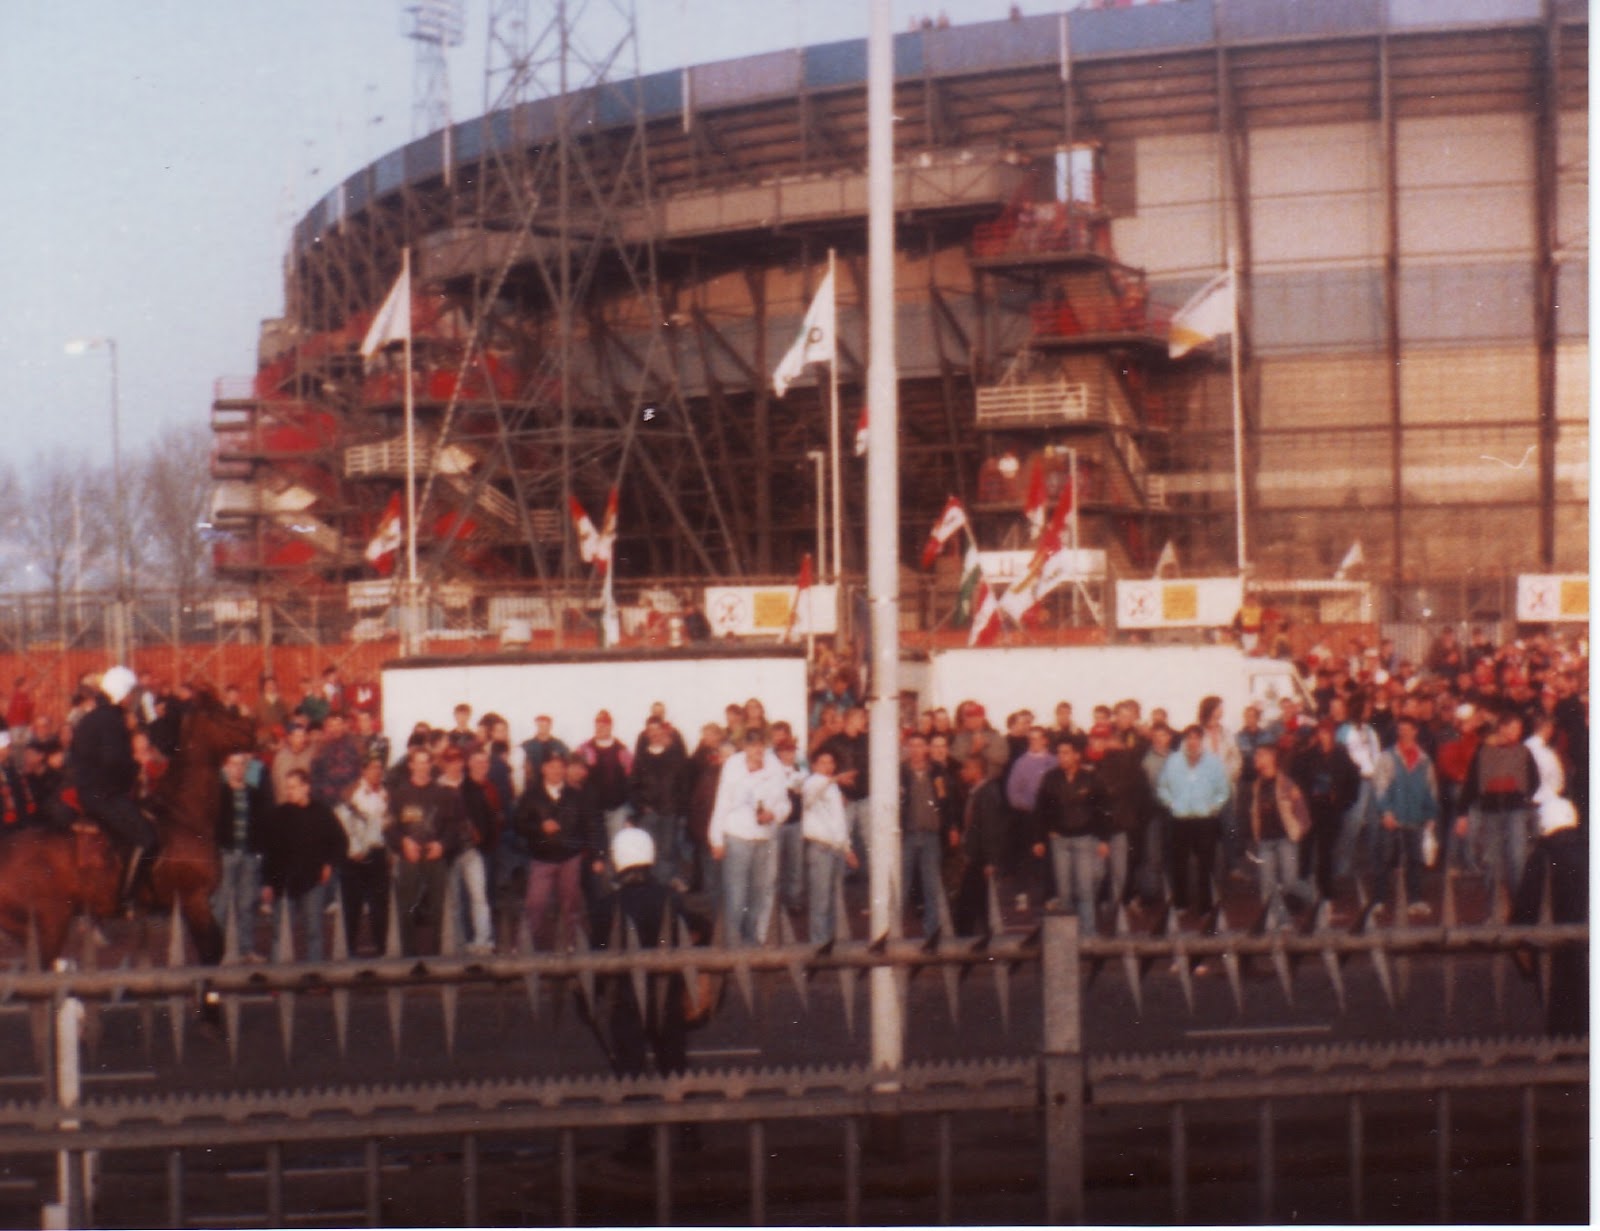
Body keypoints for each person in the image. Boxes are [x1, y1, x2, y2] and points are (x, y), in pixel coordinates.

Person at [590, 827, 708, 1163]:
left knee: (631, 1067)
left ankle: (638, 1141)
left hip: (625, 998)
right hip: (666, 992)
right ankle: (688, 1134)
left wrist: (599, 993)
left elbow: (596, 958)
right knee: (673, 1063)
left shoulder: (605, 905)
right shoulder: (669, 898)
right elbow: (699, 929)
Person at [68, 665, 156, 909]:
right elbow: (114, 761)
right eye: (130, 693)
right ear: (121, 694)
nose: (132, 699)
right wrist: (134, 767)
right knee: (147, 838)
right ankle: (125, 897)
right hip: (103, 795)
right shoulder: (111, 721)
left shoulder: (96, 717)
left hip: (94, 790)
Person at [1511, 792, 1586, 1036]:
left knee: (1561, 1016)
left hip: (1554, 951)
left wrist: (1524, 963)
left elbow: (1523, 912)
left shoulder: (1542, 857)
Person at [708, 729, 790, 946]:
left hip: (764, 837)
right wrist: (716, 839)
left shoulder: (775, 767)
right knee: (736, 893)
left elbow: (785, 803)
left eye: (760, 745)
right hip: (737, 835)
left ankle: (753, 941)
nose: (757, 750)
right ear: (744, 747)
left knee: (760, 892)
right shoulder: (732, 766)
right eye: (752, 745)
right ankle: (733, 944)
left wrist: (774, 814)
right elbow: (722, 802)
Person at [386, 746, 469, 957]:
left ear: (431, 765)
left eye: (426, 762)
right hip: (410, 857)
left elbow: (454, 827)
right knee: (407, 908)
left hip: (435, 856)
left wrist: (442, 845)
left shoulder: (443, 794)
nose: (423, 767)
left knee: (437, 908)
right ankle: (408, 956)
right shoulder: (398, 794)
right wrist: (403, 842)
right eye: (418, 762)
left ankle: (436, 957)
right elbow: (389, 827)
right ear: (411, 765)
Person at [259, 768, 346, 963]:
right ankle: (278, 979)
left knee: (314, 931)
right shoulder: (278, 815)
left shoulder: (322, 812)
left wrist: (329, 864)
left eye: (294, 787)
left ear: (306, 787)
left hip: (312, 881)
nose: (290, 792)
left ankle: (314, 976)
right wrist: (267, 883)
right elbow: (269, 852)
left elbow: (340, 842)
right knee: (279, 934)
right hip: (283, 884)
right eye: (288, 787)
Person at [514, 752, 595, 952]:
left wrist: (593, 854)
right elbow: (518, 825)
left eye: (560, 766)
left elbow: (590, 825)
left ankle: (572, 946)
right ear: (544, 769)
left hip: (570, 859)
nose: (556, 771)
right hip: (542, 860)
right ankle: (530, 947)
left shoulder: (576, 795)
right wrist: (540, 827)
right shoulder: (531, 795)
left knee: (571, 906)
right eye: (552, 766)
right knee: (536, 905)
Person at [1458, 711, 1540, 904]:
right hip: (1491, 811)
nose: (1516, 733)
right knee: (1491, 860)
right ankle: (1493, 908)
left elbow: (1534, 779)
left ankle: (1519, 906)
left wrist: (1521, 793)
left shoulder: (1523, 751)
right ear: (1502, 728)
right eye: (1512, 728)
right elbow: (1471, 782)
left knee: (1517, 858)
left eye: (1518, 729)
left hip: (1516, 810)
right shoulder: (1484, 751)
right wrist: (1463, 813)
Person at [1032, 739, 1109, 934]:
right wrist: (1039, 839)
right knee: (1064, 891)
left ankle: (1089, 933)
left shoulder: (1090, 778)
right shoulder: (1051, 778)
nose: (1061, 757)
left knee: (1084, 889)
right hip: (1060, 841)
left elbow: (1102, 810)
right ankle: (1067, 936)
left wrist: (1103, 839)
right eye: (1059, 753)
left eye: (1066, 753)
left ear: (1077, 755)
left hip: (1085, 840)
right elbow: (1041, 810)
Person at [1156, 726, 1230, 916]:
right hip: (1180, 820)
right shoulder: (1173, 762)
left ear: (1201, 740)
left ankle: (1205, 907)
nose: (1193, 742)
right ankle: (1181, 904)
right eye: (1189, 738)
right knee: (1179, 864)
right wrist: (1171, 803)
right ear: (1184, 741)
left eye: (1197, 738)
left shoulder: (1213, 763)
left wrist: (1215, 806)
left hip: (1205, 820)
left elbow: (1224, 790)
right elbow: (1162, 787)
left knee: (1205, 865)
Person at [1373, 717, 1440, 918]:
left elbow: (1431, 789)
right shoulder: (1387, 757)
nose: (1403, 733)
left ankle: (1415, 900)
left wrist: (1431, 815)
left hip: (1416, 818)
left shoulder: (1424, 760)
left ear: (1415, 731)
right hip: (1393, 818)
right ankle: (1379, 900)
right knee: (1385, 858)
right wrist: (1386, 811)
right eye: (1400, 729)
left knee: (1415, 859)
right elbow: (1380, 786)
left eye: (1407, 729)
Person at [1291, 720, 1360, 904]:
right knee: (1305, 849)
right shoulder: (1306, 756)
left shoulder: (1342, 755)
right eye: (1321, 733)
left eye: (1327, 732)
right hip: (1310, 809)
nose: (1324, 737)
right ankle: (1302, 888)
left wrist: (1343, 801)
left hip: (1330, 810)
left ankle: (1325, 888)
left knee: (1326, 850)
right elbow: (1293, 776)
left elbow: (1354, 780)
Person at [212, 751, 269, 959]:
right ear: (226, 769)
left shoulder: (254, 794)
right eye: (233, 765)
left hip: (248, 854)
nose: (238, 769)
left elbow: (261, 826)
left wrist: (258, 851)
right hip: (226, 854)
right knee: (222, 903)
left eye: (241, 765)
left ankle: (246, 948)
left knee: (246, 904)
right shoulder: (219, 794)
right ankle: (218, 949)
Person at [1246, 745, 1310, 930]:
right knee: (1267, 884)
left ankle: (1314, 897)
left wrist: (1298, 831)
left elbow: (1301, 810)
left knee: (1290, 882)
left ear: (1272, 758)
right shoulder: (1257, 786)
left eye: (1261, 755)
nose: (1257, 759)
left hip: (1285, 840)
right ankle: (1282, 920)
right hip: (1266, 841)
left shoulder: (1286, 783)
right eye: (1256, 755)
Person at [336, 754, 393, 955]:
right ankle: (349, 948)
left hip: (377, 854)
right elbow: (343, 821)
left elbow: (390, 824)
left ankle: (381, 948)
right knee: (352, 904)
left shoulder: (387, 793)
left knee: (380, 905)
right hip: (355, 856)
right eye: (372, 768)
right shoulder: (350, 792)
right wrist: (353, 848)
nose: (376, 772)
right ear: (363, 770)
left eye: (379, 768)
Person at [628, 716, 688, 888]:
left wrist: (678, 808)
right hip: (649, 814)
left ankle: (664, 889)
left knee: (667, 852)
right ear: (646, 734)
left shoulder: (675, 755)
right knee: (649, 851)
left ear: (663, 731)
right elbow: (632, 786)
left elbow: (684, 785)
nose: (655, 734)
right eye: (651, 731)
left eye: (657, 730)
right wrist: (641, 807)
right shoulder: (641, 757)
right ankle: (651, 889)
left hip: (670, 813)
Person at [952, 755, 1008, 938]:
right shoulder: (976, 792)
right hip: (975, 855)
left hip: (980, 858)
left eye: (967, 768)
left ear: (977, 771)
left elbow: (991, 828)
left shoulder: (987, 794)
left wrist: (991, 860)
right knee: (979, 903)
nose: (963, 772)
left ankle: (967, 942)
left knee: (970, 903)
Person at [802, 749, 855, 943]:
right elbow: (811, 795)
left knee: (833, 900)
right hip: (820, 848)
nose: (828, 766)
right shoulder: (812, 782)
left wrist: (847, 848)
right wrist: (834, 780)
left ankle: (828, 941)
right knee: (820, 900)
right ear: (814, 766)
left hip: (835, 849)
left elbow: (839, 821)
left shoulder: (832, 788)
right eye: (823, 762)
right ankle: (818, 942)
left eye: (830, 762)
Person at [899, 733, 948, 937]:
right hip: (908, 835)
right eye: (913, 746)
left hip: (930, 835)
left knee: (931, 884)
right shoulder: (900, 772)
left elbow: (945, 800)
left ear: (926, 748)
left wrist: (949, 826)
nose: (917, 750)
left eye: (920, 746)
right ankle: (896, 929)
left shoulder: (937, 771)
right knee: (902, 883)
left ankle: (931, 931)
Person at [579, 710, 634, 845]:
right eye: (598, 724)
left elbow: (631, 778)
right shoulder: (584, 749)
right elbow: (576, 776)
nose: (601, 727)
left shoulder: (622, 750)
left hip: (616, 809)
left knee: (615, 844)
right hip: (592, 810)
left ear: (611, 726)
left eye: (605, 724)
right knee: (593, 846)